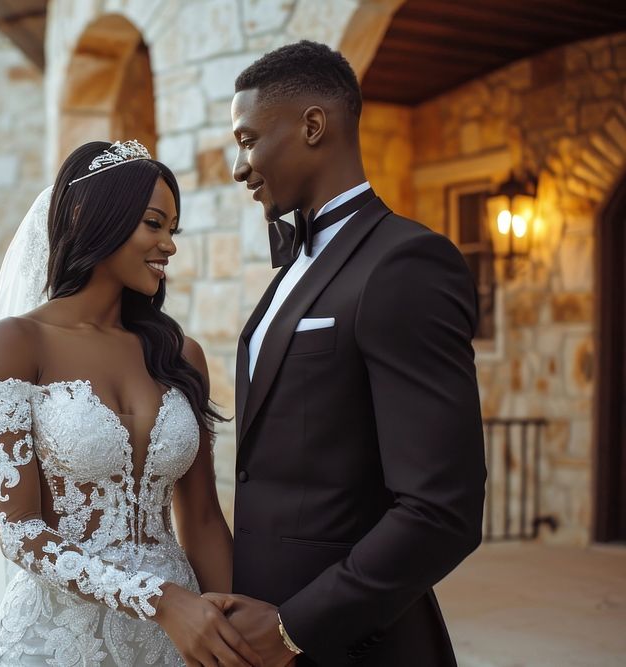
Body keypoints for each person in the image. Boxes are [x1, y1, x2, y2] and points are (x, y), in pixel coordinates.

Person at [0, 140, 262, 666]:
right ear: (97, 218)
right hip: (57, 639)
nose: (169, 245)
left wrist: (238, 637)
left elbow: (204, 519)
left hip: (174, 642)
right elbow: (20, 530)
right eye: (153, 223)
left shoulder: (180, 354)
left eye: (173, 229)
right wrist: (158, 600)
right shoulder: (18, 343)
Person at [204, 41, 488, 666]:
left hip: (356, 644)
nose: (238, 165)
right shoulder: (291, 272)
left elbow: (444, 509)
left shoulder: (406, 263)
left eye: (248, 139)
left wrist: (293, 629)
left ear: (312, 125)